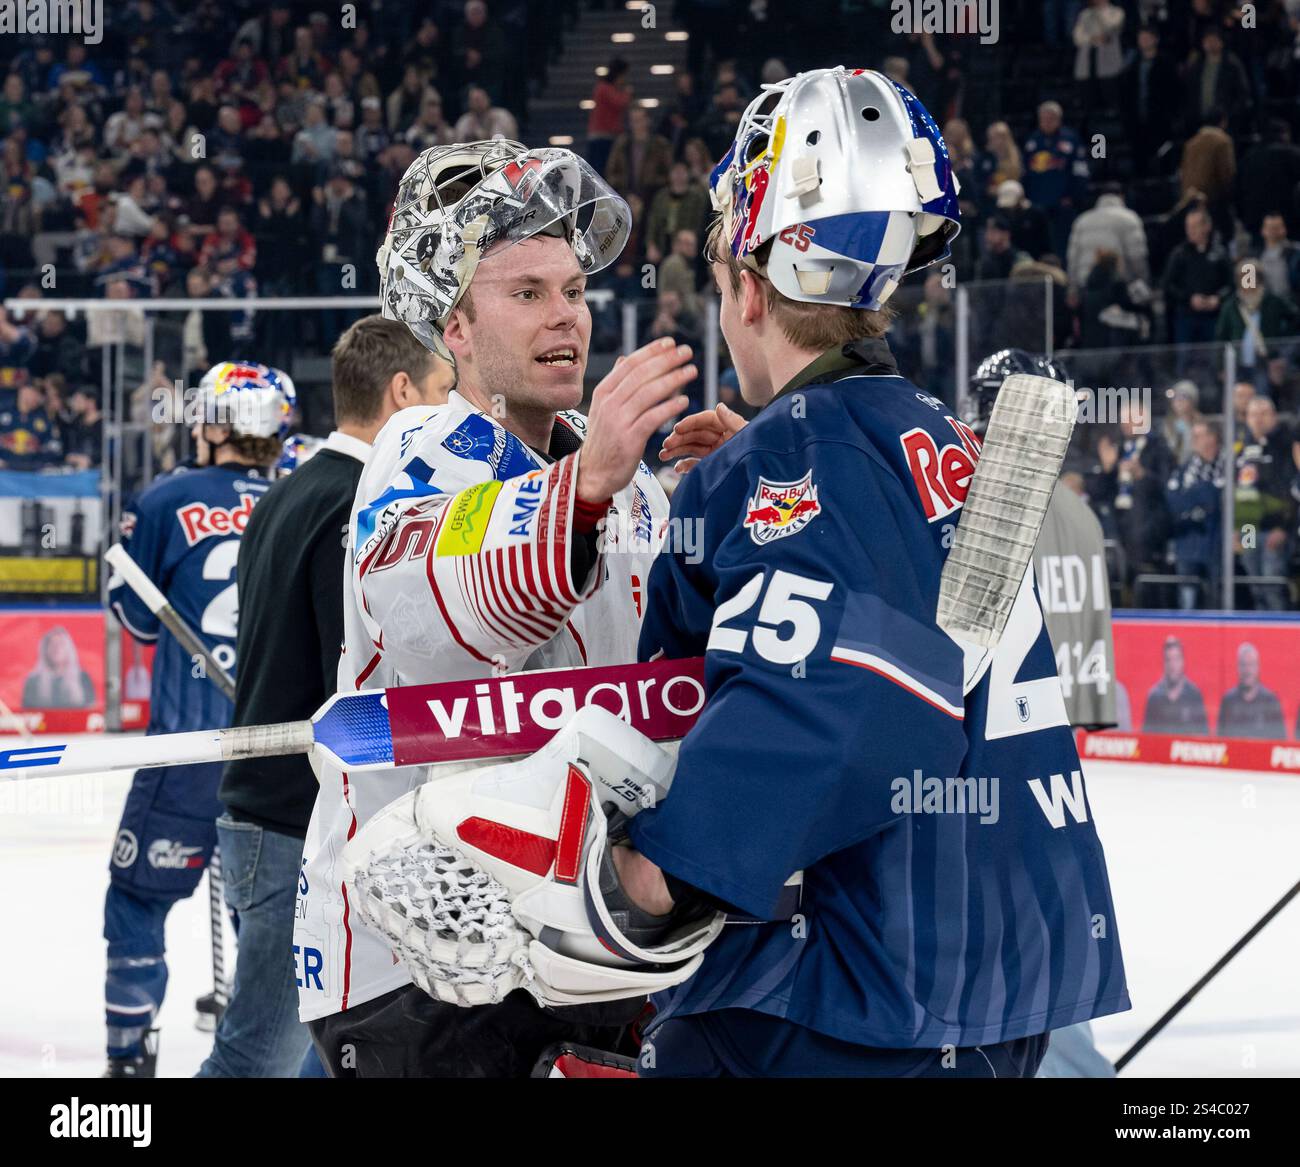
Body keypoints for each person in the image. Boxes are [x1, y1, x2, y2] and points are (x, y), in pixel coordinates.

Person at [538, 68, 1127, 1077]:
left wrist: (657, 873)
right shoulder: (936, 441)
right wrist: (770, 460)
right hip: (996, 974)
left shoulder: (792, 460)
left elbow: (838, 698)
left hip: (839, 994)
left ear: (747, 286)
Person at [295, 140, 695, 1077]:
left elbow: (669, 676)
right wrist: (585, 496)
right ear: (456, 332)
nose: (566, 316)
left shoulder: (621, 471)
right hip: (423, 965)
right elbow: (445, 617)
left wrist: (731, 500)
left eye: (573, 290)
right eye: (526, 293)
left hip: (583, 949)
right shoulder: (421, 450)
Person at [196, 321, 453, 1079]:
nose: (449, 414)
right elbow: (354, 675)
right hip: (291, 824)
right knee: (256, 1058)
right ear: (401, 393)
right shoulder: (358, 506)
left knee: (326, 1051)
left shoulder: (286, 494)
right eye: (441, 393)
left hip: (260, 812)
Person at [103, 362, 292, 1077]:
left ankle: (128, 1059)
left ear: (216, 423)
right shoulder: (295, 495)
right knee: (269, 920)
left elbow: (136, 621)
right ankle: (271, 1052)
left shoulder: (166, 497)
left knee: (136, 896)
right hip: (278, 754)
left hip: (187, 751)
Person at [1167, 419, 1225, 610]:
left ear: (1212, 438)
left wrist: (1192, 495)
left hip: (1217, 542)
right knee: (1186, 598)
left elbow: (1217, 500)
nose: (1194, 440)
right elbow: (1172, 501)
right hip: (1187, 541)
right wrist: (1204, 494)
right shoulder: (1185, 469)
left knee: (1217, 596)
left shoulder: (1227, 465)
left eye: (1198, 436)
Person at [1217, 643, 1286, 740]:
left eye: (1251, 665)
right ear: (1238, 667)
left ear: (1258, 667)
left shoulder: (1271, 701)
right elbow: (1220, 741)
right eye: (1243, 665)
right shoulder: (1228, 701)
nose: (1247, 670)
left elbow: (1280, 743)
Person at [1142, 636, 1209, 735]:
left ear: (1183, 662)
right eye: (1168, 660)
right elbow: (1146, 737)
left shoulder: (1194, 695)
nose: (1172, 665)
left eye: (1176, 659)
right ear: (1164, 663)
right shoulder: (1154, 697)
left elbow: (1204, 736)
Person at [21, 626, 96, 709]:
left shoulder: (83, 678)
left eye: (61, 644)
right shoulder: (33, 681)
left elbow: (91, 713)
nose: (57, 648)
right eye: (52, 644)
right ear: (45, 650)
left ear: (69, 649)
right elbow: (27, 714)